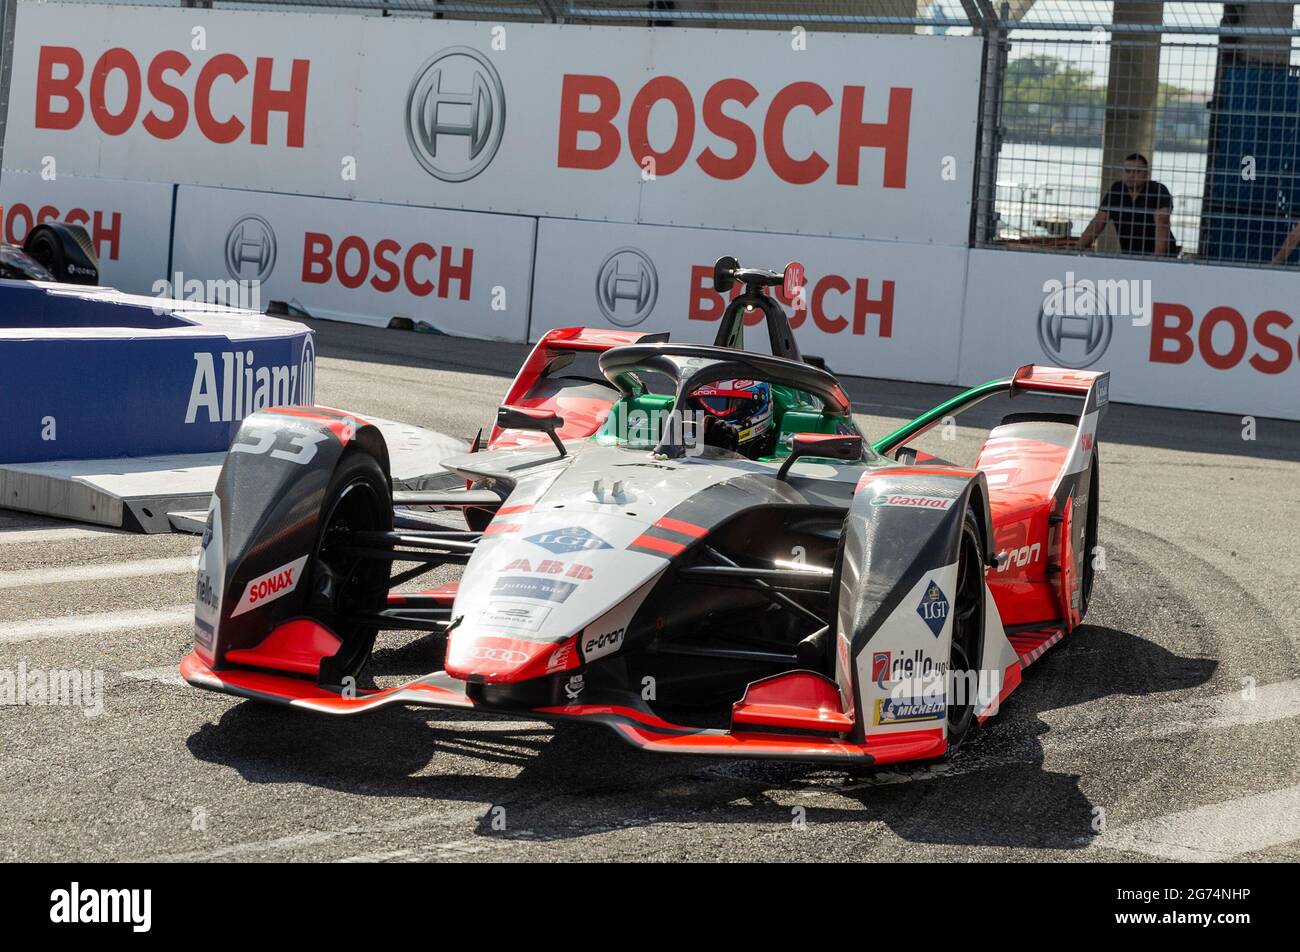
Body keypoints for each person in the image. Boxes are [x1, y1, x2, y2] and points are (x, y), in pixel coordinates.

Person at [1078, 153, 1177, 256]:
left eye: (1137, 171)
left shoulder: (1158, 190)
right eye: (1128, 171)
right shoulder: (1117, 189)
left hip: (1164, 255)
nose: (1131, 175)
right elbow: (1098, 222)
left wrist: (1157, 259)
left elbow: (1162, 221)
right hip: (1130, 254)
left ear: (1147, 174)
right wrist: (1077, 249)